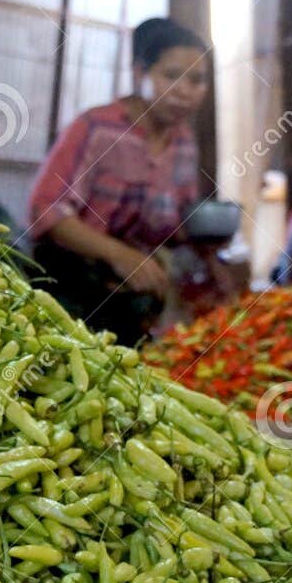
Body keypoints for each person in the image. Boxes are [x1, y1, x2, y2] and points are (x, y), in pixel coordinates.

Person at [28, 17, 208, 340]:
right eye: (171, 76)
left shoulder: (183, 144)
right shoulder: (96, 128)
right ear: (140, 73)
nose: (185, 92)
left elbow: (178, 225)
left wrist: (210, 251)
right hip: (71, 287)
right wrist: (120, 255)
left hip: (133, 296)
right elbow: (47, 210)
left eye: (196, 80)